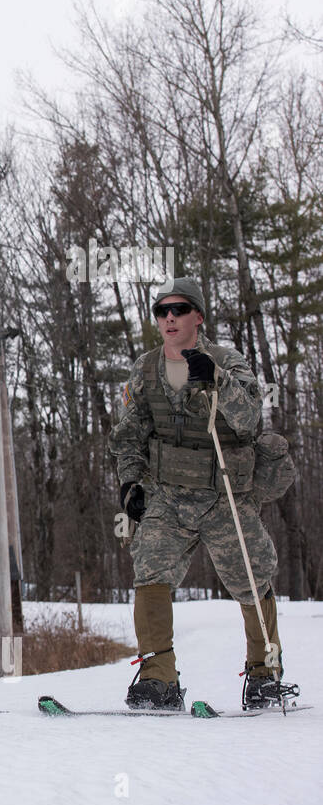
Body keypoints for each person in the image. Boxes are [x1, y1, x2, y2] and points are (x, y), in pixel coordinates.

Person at [109, 277, 299, 710]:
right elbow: (128, 434)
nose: (169, 318)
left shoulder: (228, 362)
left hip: (223, 494)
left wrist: (216, 381)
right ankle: (159, 676)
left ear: (198, 316)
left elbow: (250, 421)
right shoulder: (145, 369)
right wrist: (131, 482)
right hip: (167, 496)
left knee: (250, 577)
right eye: (161, 311)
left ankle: (265, 670)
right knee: (150, 571)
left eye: (178, 310)